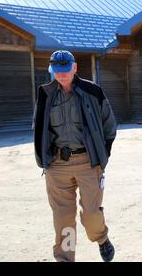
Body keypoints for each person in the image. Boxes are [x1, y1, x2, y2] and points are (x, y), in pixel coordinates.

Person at [33, 50, 117, 262]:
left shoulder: (93, 91)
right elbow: (39, 127)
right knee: (63, 219)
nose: (61, 75)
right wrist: (44, 159)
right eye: (56, 71)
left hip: (88, 163)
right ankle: (65, 258)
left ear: (74, 68)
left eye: (65, 70)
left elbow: (109, 126)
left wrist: (102, 155)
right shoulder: (45, 93)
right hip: (57, 165)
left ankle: (101, 238)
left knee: (91, 215)